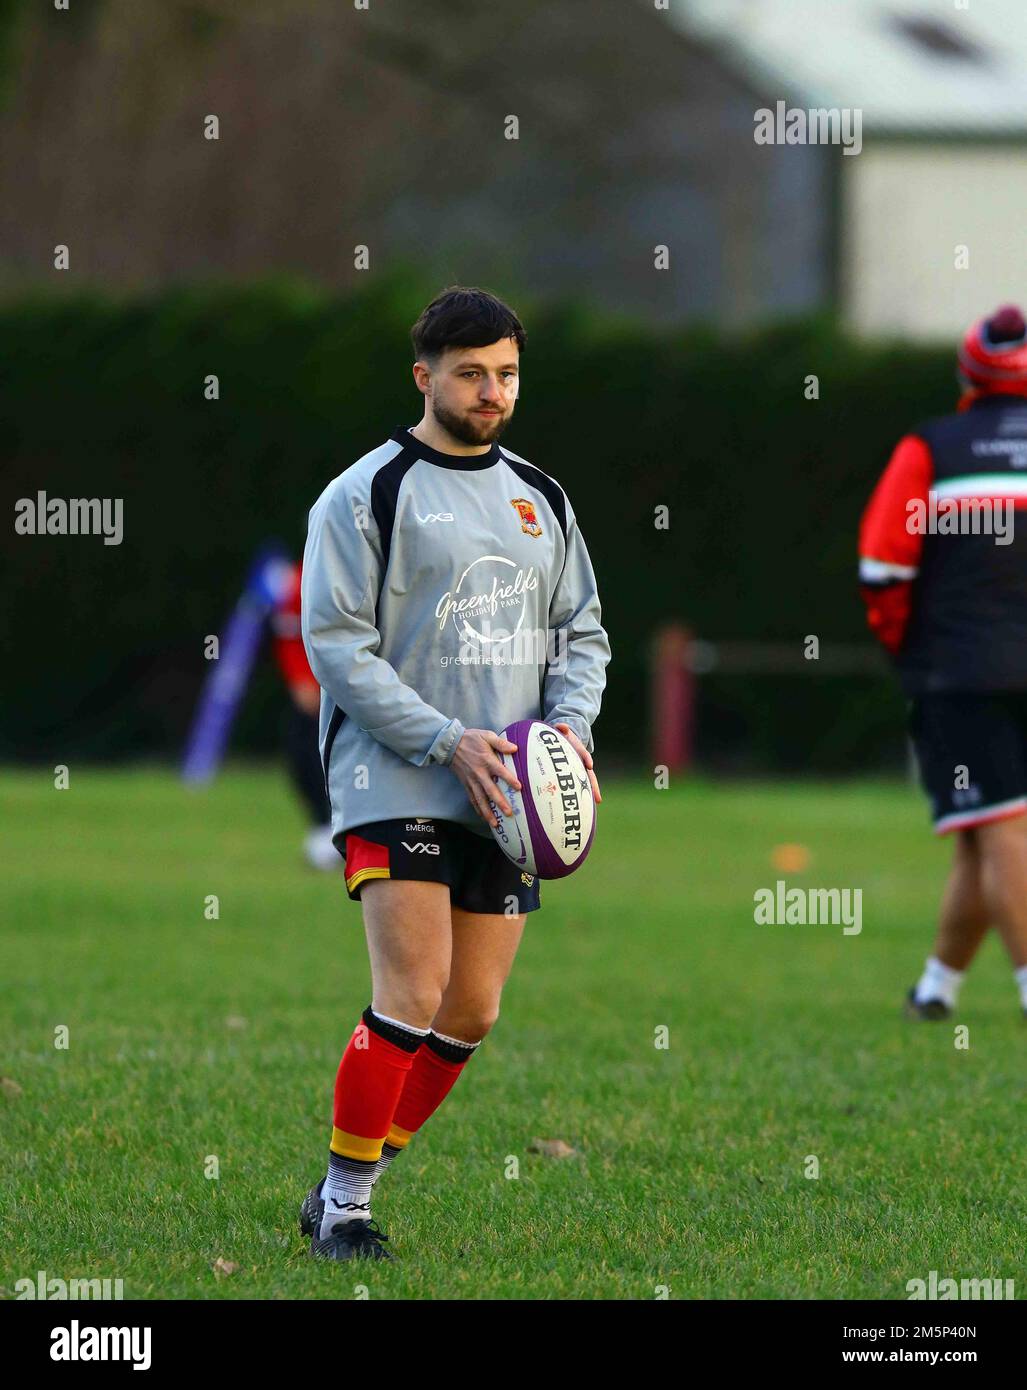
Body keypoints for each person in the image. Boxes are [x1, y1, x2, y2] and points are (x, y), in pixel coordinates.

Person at [298, 286, 611, 1258]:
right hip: (394, 773)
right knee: (415, 989)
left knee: (471, 1011)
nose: (491, 391)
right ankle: (347, 1211)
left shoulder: (541, 497)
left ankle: (342, 1180)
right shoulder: (366, 493)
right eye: (471, 373)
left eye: (506, 373)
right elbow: (337, 646)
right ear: (424, 374)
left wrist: (567, 731)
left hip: (510, 787)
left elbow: (582, 630)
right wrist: (444, 739)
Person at [859, 304, 1027, 1020]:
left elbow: (881, 567)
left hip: (964, 674)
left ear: (968, 371)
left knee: (998, 828)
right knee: (985, 830)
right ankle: (936, 990)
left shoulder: (931, 448)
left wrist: (910, 647)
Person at [269, 560, 340, 870]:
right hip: (317, 688)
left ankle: (341, 828)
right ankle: (324, 825)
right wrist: (302, 678)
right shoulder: (301, 580)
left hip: (348, 688)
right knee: (304, 755)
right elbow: (289, 632)